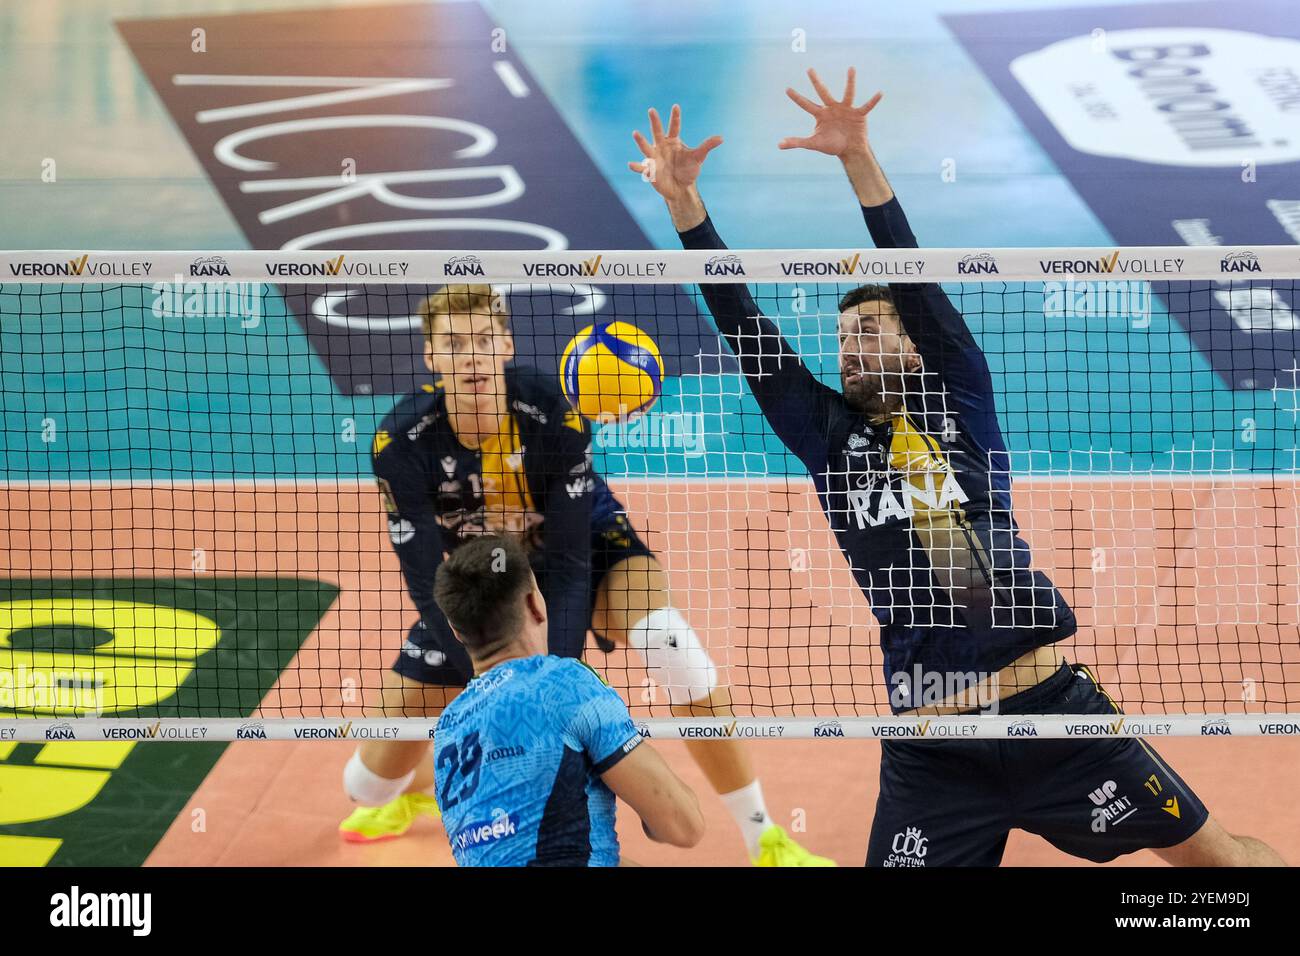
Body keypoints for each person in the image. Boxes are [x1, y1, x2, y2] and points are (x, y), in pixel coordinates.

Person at [629, 67, 1286, 867]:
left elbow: (912, 268)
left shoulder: (960, 398)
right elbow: (742, 321)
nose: (850, 346)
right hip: (934, 755)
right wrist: (683, 208)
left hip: (1055, 720)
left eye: (870, 329)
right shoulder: (828, 437)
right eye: (843, 338)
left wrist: (858, 159)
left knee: (1219, 867)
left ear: (912, 343)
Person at [339, 283, 834, 866]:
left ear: (505, 344)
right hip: (488, 583)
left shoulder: (552, 412)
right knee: (363, 787)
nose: (471, 356)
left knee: (673, 646)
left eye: (483, 340)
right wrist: (483, 674)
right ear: (431, 357)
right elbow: (428, 580)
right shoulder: (400, 444)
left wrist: (553, 675)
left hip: (583, 549)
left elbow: (572, 563)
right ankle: (414, 787)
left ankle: (764, 839)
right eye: (454, 344)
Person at [429, 534, 703, 866]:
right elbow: (684, 826)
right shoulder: (564, 684)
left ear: (456, 631)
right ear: (534, 604)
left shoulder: (448, 728)